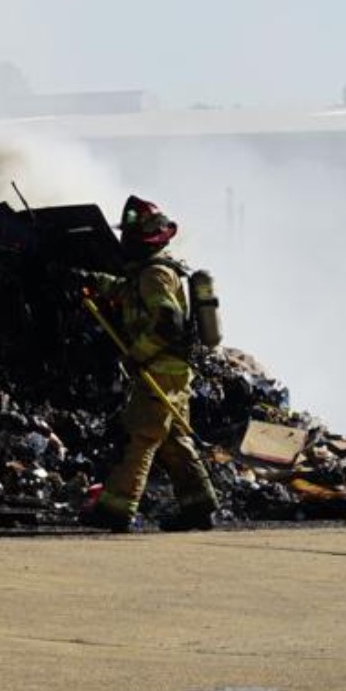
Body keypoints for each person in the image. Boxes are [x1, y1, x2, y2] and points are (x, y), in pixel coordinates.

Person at [79, 196, 220, 532]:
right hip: (172, 372)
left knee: (140, 438)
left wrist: (137, 354)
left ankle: (116, 510)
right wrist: (92, 280)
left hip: (159, 369)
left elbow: (168, 322)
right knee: (172, 441)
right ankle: (198, 507)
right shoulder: (152, 271)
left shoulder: (155, 274)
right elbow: (128, 292)